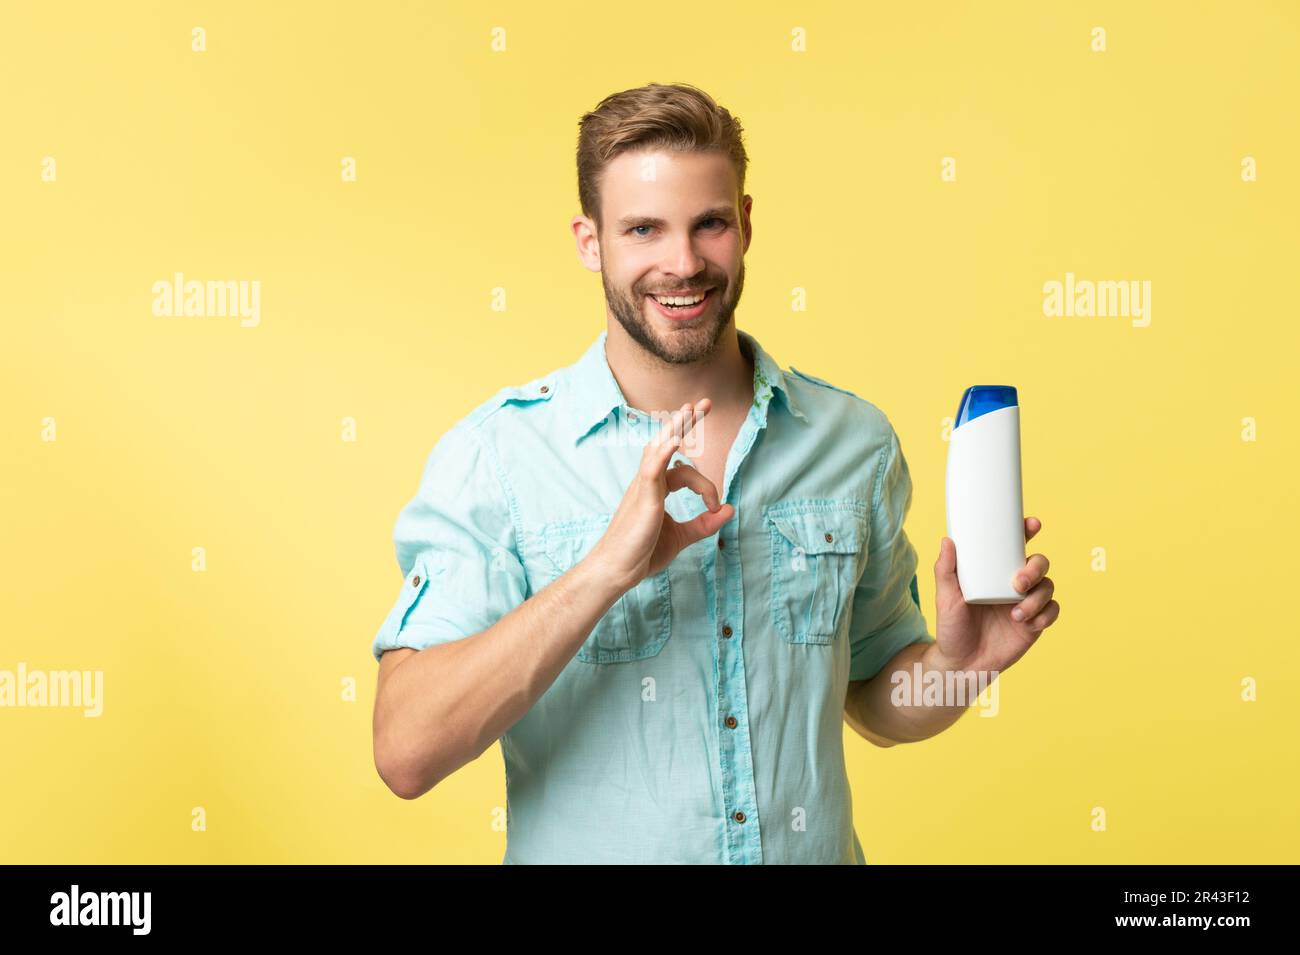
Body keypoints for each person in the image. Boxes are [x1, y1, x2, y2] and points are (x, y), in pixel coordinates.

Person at [370, 82, 1060, 863]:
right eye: (642, 229)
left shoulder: (851, 441)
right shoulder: (499, 458)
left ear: (747, 225)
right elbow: (405, 751)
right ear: (589, 241)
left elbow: (872, 699)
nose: (683, 263)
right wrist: (603, 571)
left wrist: (956, 668)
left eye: (710, 225)